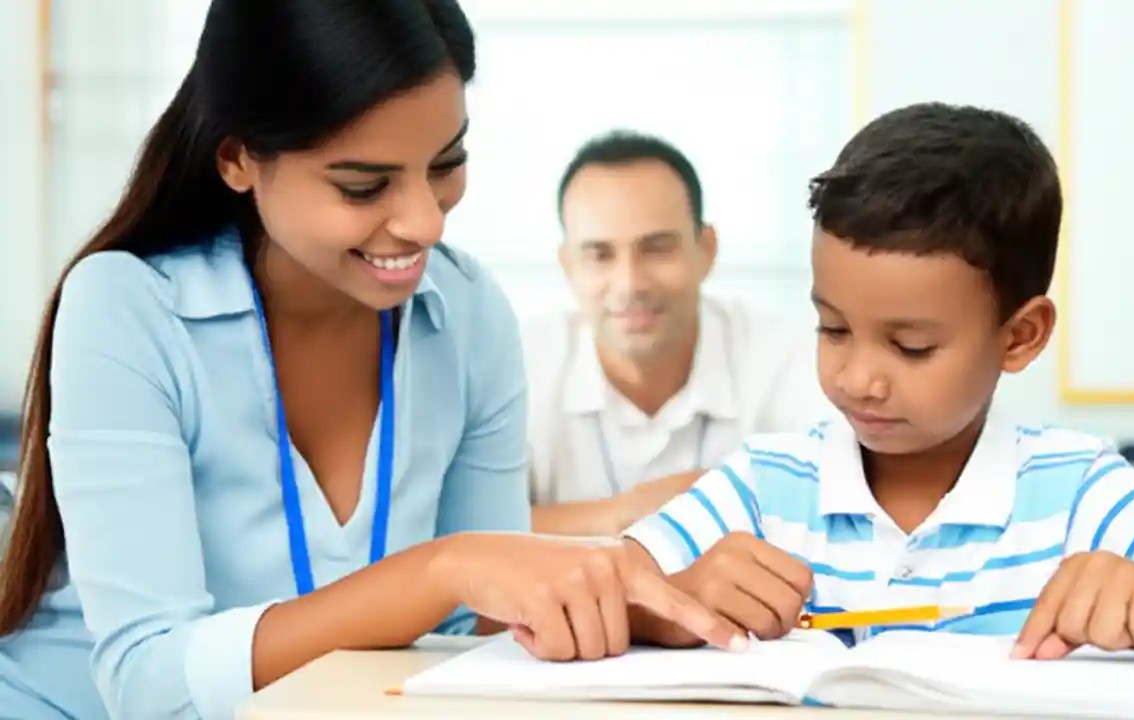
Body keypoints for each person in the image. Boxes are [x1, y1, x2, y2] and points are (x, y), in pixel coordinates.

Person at [0, 4, 736, 719]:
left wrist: (641, 612)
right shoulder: (129, 306)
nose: (426, 221)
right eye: (363, 185)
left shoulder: (468, 311)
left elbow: (475, 640)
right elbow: (148, 682)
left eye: (446, 164)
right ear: (238, 159)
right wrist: (443, 568)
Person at [619, 102, 1134, 659]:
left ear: (1020, 336)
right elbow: (592, 593)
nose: (859, 379)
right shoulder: (766, 485)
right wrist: (675, 604)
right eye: (833, 329)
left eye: (911, 347)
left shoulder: (1075, 491)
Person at [525, 130, 831, 537]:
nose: (630, 283)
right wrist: (625, 514)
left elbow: (840, 505)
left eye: (657, 248)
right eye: (599, 255)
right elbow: (469, 535)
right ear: (567, 266)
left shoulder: (790, 355)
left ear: (706, 249)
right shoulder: (517, 368)